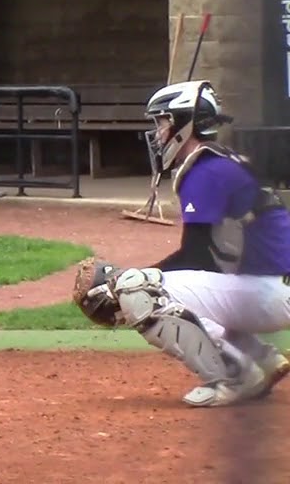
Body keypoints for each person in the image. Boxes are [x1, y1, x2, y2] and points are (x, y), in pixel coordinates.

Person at [75, 80, 290, 407]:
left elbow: (198, 256)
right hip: (271, 287)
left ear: (182, 124)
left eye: (162, 122)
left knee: (140, 291)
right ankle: (261, 359)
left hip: (271, 292)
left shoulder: (204, 171)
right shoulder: (218, 160)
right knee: (181, 290)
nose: (158, 132)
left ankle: (236, 375)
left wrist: (128, 279)